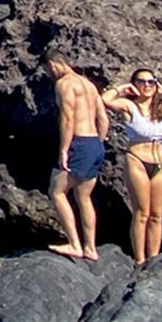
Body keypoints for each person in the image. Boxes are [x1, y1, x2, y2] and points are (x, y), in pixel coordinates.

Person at [102, 68, 162, 265]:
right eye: (141, 81)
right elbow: (105, 99)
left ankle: (153, 260)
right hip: (137, 160)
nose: (146, 86)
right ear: (134, 84)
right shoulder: (130, 107)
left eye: (151, 82)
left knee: (156, 215)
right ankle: (139, 260)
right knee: (141, 213)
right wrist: (121, 88)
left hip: (160, 162)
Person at [43, 53, 110, 260]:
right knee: (84, 197)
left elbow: (67, 119)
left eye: (47, 70)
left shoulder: (64, 84)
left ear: (53, 65)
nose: (49, 74)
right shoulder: (88, 85)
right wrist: (98, 141)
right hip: (94, 144)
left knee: (56, 191)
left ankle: (74, 244)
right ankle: (90, 248)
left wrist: (64, 149)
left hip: (78, 143)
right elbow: (103, 119)